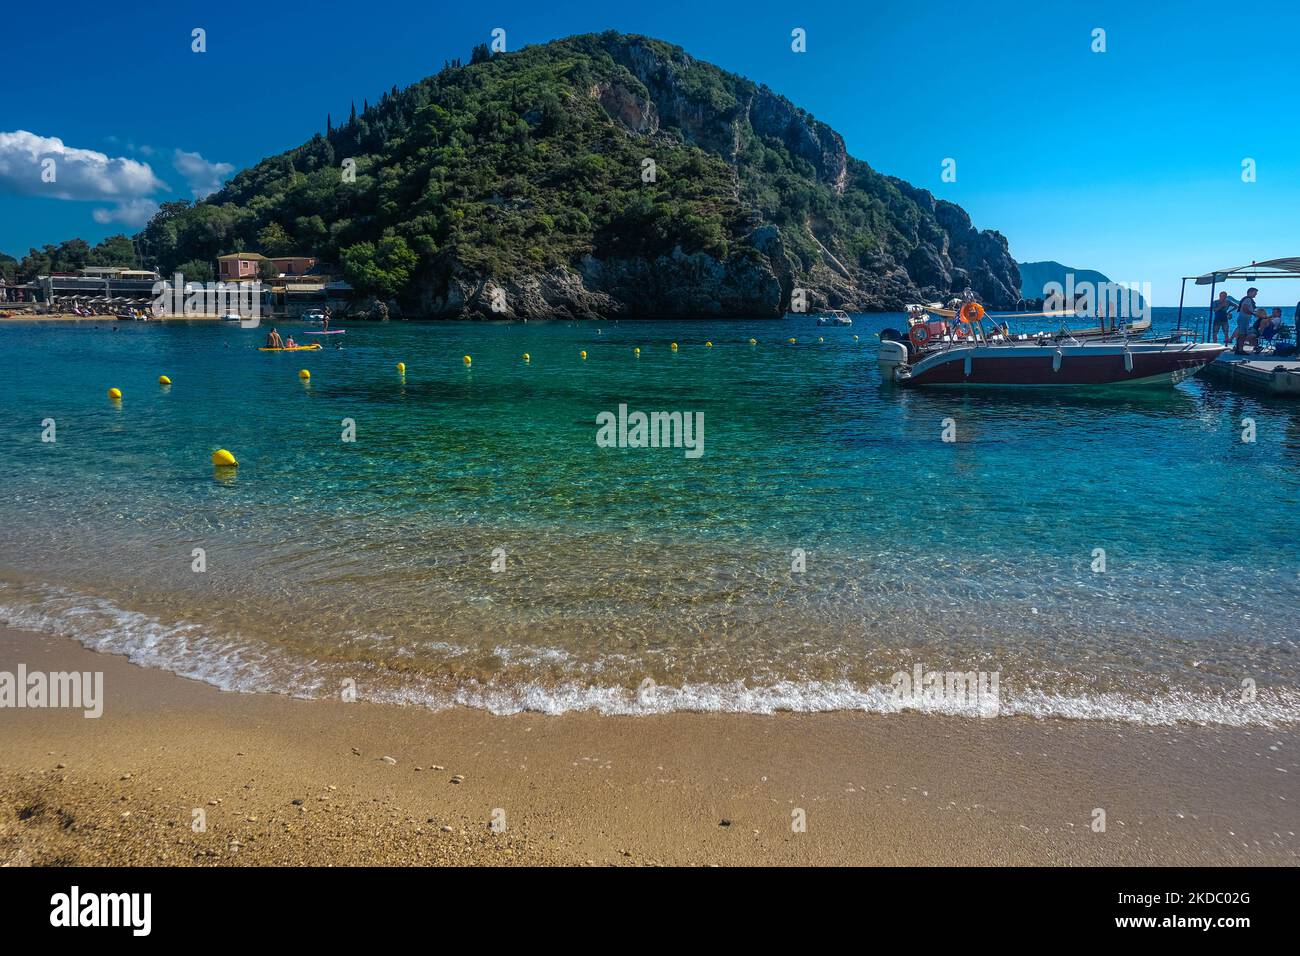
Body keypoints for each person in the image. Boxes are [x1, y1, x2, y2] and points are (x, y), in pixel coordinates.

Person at [1232, 287, 1258, 354]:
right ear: (1250, 292)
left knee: (1242, 334)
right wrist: (1253, 313)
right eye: (1255, 293)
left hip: (1244, 318)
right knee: (1242, 335)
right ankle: (1240, 350)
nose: (1256, 294)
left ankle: (1238, 349)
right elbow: (1245, 308)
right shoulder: (1248, 299)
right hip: (1244, 319)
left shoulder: (1246, 299)